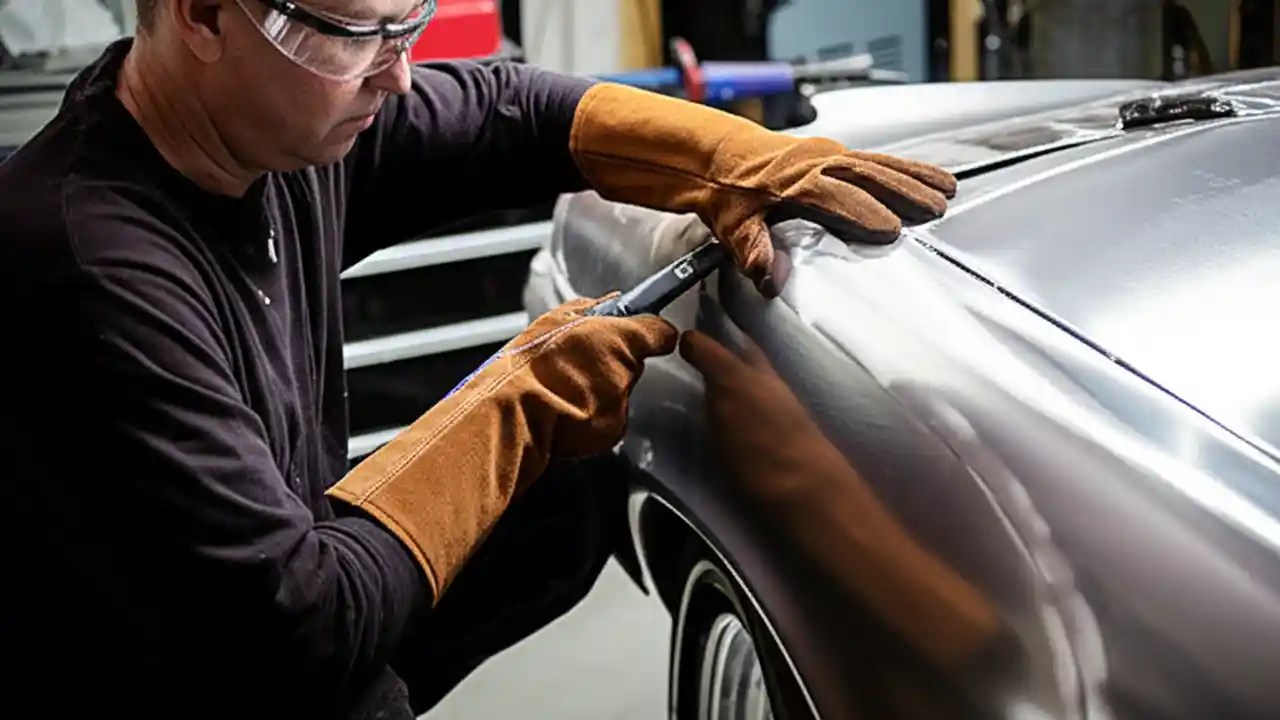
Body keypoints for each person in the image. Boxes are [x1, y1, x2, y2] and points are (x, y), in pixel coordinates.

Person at [0, 0, 955, 717]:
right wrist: (514, 400)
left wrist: (726, 155)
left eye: (408, 24)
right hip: (242, 666)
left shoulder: (259, 134)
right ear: (202, 13)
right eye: (356, 34)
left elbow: (505, 109)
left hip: (268, 633)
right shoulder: (89, 262)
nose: (398, 75)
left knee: (568, 495)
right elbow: (300, 623)